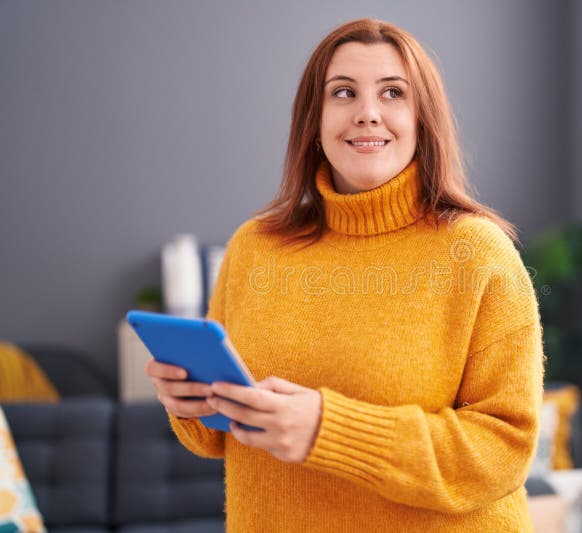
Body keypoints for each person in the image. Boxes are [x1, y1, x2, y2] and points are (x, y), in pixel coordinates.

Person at [146, 17, 545, 532]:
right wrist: (191, 401)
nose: (368, 113)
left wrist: (331, 431)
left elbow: (505, 451)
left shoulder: (478, 253)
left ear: (423, 118)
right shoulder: (255, 248)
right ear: (314, 120)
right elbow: (211, 439)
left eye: (393, 93)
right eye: (343, 92)